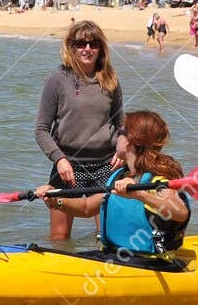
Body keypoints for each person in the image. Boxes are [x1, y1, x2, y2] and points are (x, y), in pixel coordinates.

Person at [37, 110, 190, 257]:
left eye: (119, 134)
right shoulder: (120, 176)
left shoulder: (158, 180)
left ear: (129, 141)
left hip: (150, 261)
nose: (115, 138)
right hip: (113, 255)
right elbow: (87, 207)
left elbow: (180, 213)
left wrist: (140, 195)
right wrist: (56, 199)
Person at [35, 21, 124, 242]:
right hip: (67, 168)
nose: (87, 49)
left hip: (105, 166)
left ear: (101, 48)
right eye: (81, 43)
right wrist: (59, 160)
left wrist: (123, 149)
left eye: (93, 43)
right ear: (71, 47)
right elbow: (41, 130)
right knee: (59, 238)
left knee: (106, 237)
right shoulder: (57, 80)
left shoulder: (110, 80)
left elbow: (121, 124)